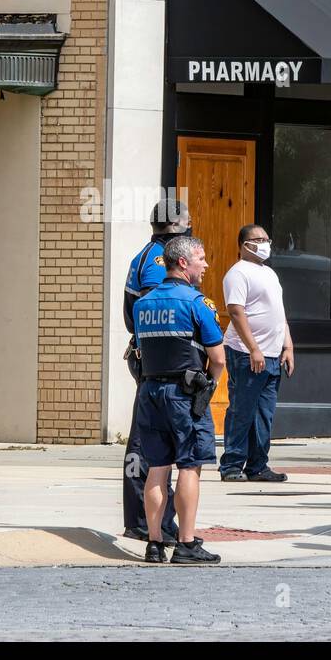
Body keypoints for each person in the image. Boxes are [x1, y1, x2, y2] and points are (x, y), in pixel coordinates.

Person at [133, 235, 227, 564]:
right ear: (184, 263)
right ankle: (186, 543)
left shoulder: (142, 304)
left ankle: (155, 543)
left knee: (157, 468)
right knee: (189, 465)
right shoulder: (197, 303)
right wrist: (209, 389)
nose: (206, 264)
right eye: (201, 259)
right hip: (184, 397)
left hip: (149, 393)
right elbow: (218, 359)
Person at [119, 198, 191, 543]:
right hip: (157, 361)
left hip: (148, 357)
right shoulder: (158, 261)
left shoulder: (144, 254)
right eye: (187, 219)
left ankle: (152, 518)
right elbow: (155, 310)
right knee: (152, 441)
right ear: (176, 225)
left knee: (152, 437)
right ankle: (149, 520)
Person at [220, 224, 294, 482]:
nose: (264, 243)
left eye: (266, 238)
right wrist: (254, 349)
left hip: (273, 354)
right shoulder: (238, 273)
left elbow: (279, 312)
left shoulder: (270, 273)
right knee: (242, 410)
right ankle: (231, 465)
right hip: (245, 353)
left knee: (264, 413)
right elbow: (236, 312)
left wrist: (288, 346)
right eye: (257, 239)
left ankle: (258, 466)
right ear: (243, 245)